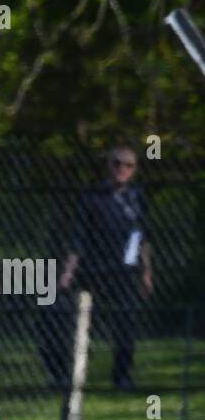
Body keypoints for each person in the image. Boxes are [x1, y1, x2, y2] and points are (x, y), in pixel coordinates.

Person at [51, 145, 152, 390]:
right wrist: (68, 271)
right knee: (83, 323)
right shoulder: (93, 196)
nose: (122, 170)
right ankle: (72, 376)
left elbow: (143, 237)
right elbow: (79, 237)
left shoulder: (137, 197)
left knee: (126, 324)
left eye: (128, 165)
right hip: (95, 269)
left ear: (135, 169)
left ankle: (122, 377)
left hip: (127, 271)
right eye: (117, 164)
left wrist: (147, 272)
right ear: (109, 166)